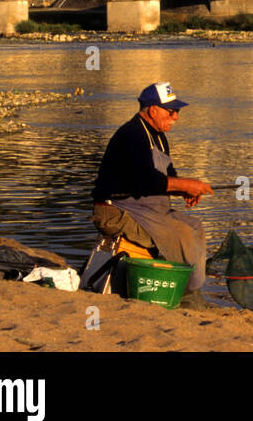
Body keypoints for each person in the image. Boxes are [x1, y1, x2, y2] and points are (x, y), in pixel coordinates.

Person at [91, 82, 213, 293]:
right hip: (115, 212)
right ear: (153, 110)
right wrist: (186, 184)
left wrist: (184, 191)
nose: (176, 117)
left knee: (195, 228)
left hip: (149, 210)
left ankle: (188, 286)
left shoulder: (159, 137)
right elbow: (145, 181)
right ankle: (186, 293)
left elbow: (167, 178)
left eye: (177, 111)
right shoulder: (132, 135)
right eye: (172, 111)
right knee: (182, 234)